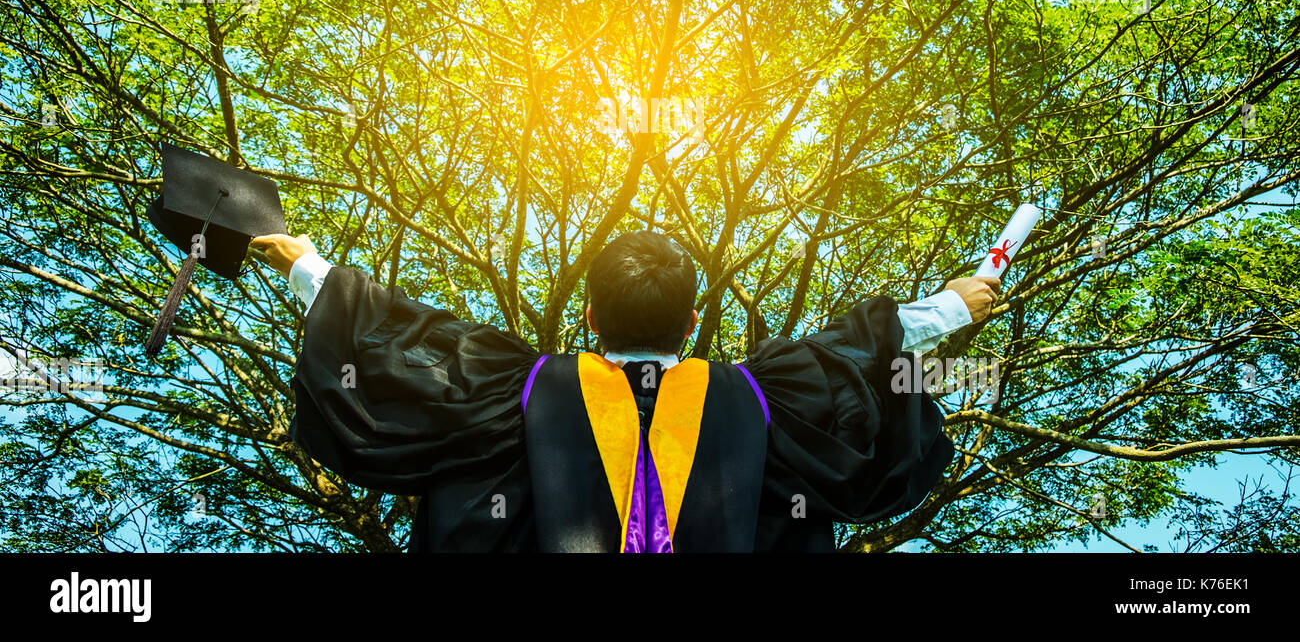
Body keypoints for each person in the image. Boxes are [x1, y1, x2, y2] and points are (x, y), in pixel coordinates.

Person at [251, 230, 1000, 551]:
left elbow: (403, 346)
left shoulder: (522, 386)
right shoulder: (762, 397)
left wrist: (307, 266)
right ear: (694, 320)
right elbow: (854, 353)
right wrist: (951, 307)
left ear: (587, 315)